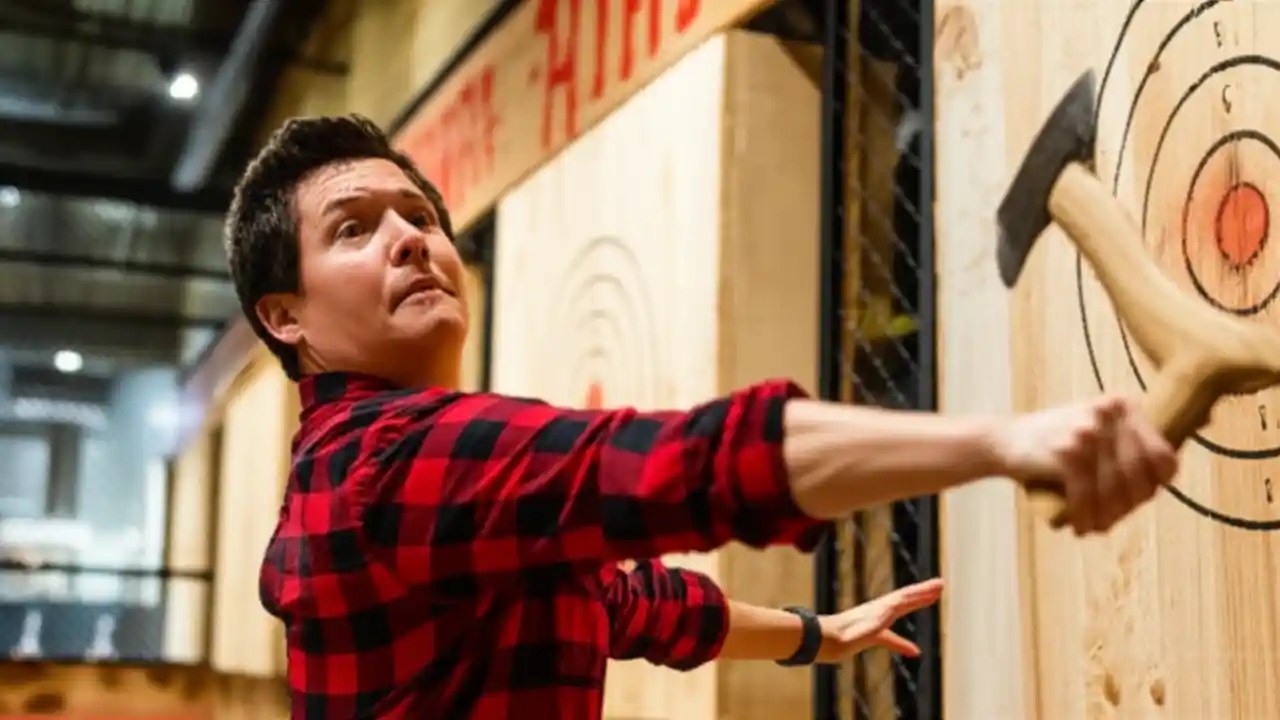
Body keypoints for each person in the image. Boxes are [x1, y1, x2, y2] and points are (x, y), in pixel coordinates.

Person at [225, 114, 1178, 719]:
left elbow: (631, 606)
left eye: (421, 217)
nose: (410, 238)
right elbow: (681, 464)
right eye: (355, 227)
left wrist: (821, 634)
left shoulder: (409, 479)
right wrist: (1005, 441)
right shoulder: (385, 461)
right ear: (286, 315)